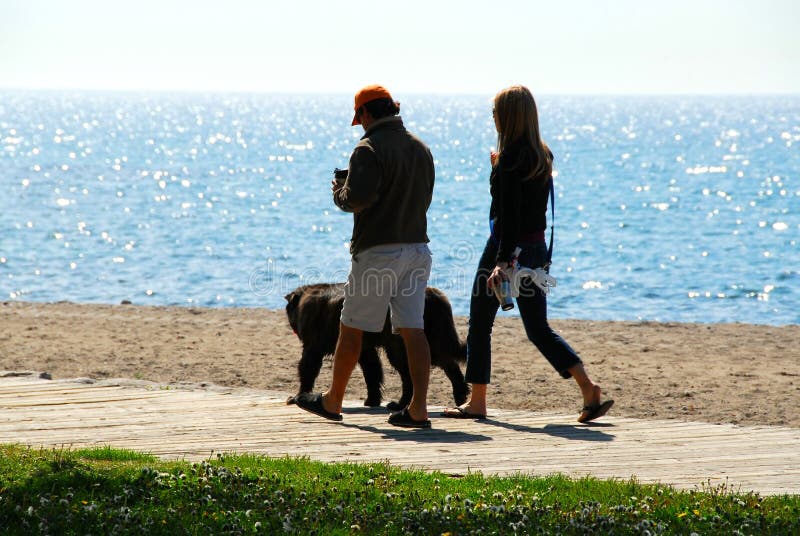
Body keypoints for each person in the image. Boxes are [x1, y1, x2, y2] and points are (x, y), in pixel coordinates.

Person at [443, 85, 613, 423]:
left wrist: (502, 261)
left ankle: (477, 401)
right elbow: (532, 207)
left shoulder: (508, 160)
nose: (492, 118)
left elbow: (507, 214)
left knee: (480, 320)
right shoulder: (542, 154)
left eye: (495, 113)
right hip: (536, 250)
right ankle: (588, 387)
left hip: (506, 247)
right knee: (537, 327)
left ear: (508, 117)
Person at [294, 84, 436, 428]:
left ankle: (332, 401)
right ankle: (418, 409)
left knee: (351, 327)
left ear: (367, 114)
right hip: (418, 248)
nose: (360, 125)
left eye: (360, 118)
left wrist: (339, 193)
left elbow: (357, 199)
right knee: (413, 330)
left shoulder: (367, 148)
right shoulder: (421, 148)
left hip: (378, 252)